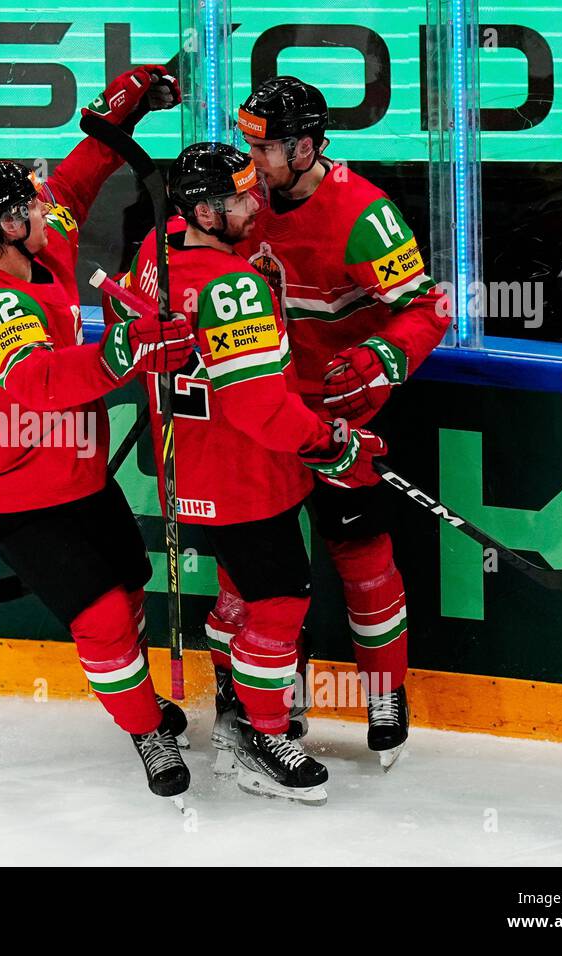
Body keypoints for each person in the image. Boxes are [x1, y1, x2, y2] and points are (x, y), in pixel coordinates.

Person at [0, 66, 199, 797]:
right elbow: (40, 385)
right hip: (14, 488)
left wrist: (119, 120)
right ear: (4, 227)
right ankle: (146, 732)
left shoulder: (34, 242)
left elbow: (76, 185)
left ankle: (136, 694)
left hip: (74, 467)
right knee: (105, 616)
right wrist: (130, 349)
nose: (44, 206)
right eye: (29, 204)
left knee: (130, 584)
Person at [109, 142, 387, 803]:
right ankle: (261, 738)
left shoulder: (158, 248)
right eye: (238, 197)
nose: (254, 201)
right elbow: (261, 409)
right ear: (204, 210)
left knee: (242, 597)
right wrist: (331, 442)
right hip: (246, 474)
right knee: (281, 599)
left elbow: (123, 322)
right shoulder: (233, 287)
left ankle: (236, 706)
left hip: (190, 467)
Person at [229, 76, 452, 769]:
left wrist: (384, 353)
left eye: (262, 147)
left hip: (333, 416)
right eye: (248, 141)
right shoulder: (239, 204)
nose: (251, 158)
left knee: (359, 556)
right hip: (262, 416)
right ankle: (276, 700)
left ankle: (385, 692)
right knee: (257, 571)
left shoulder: (363, 215)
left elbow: (431, 307)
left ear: (305, 147)